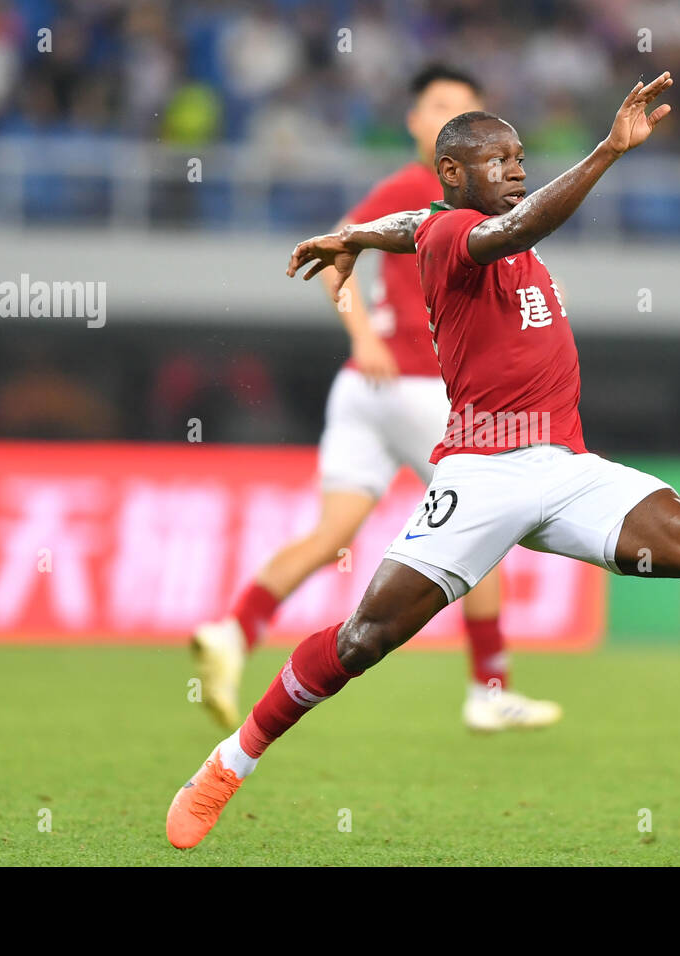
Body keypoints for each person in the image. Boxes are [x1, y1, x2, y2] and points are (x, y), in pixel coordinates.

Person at [168, 72, 680, 850]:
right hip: (481, 475)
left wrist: (353, 235)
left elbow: (410, 224)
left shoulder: (442, 225)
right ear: (454, 173)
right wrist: (609, 150)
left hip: (566, 467)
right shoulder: (469, 234)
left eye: (521, 157)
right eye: (499, 159)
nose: (517, 169)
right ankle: (226, 765)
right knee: (362, 640)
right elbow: (475, 229)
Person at [191, 64, 561, 734]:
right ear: (420, 126)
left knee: (333, 532)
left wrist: (363, 344)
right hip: (415, 384)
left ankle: (234, 628)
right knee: (490, 519)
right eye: (443, 107)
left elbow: (344, 249)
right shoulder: (422, 186)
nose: (457, 118)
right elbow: (340, 243)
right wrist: (367, 336)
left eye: (468, 108)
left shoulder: (433, 191)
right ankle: (490, 687)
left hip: (363, 390)